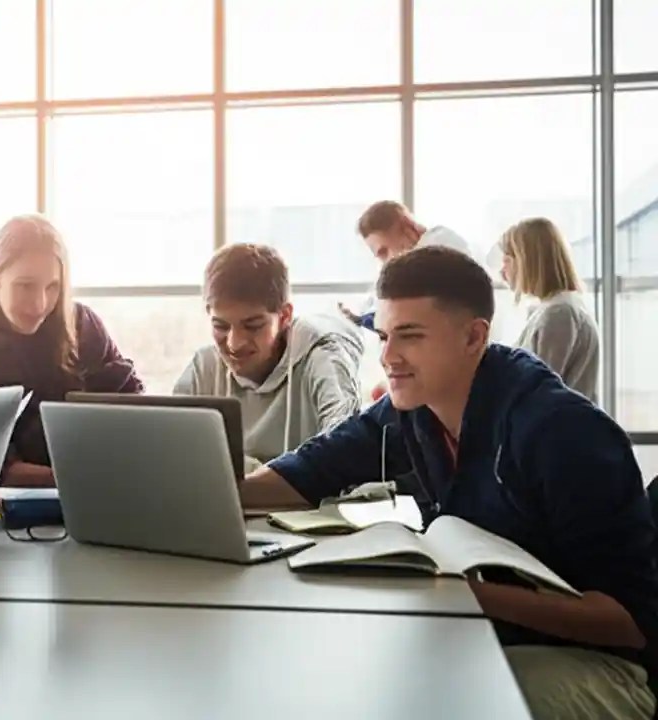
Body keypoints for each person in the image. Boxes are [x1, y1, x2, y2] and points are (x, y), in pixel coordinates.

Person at [240, 246, 658, 720]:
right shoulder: (412, 409)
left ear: (473, 337)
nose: (389, 357)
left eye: (410, 336)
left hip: (606, 668)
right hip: (483, 634)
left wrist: (463, 594)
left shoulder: (562, 432)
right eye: (383, 336)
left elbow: (628, 625)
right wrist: (216, 494)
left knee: (418, 704)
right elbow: (311, 470)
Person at [0, 214, 144, 487]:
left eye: (53, 287)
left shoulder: (82, 323)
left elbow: (139, 410)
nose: (39, 304)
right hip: (23, 508)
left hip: (108, 486)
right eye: (25, 286)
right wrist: (87, 478)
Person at [174, 244, 363, 466]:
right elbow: (169, 447)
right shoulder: (204, 366)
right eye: (221, 326)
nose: (235, 344)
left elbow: (346, 451)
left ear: (284, 316)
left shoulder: (323, 358)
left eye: (253, 326)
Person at [496, 217, 600, 403]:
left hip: (559, 429)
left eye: (507, 261)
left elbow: (539, 389)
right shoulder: (557, 308)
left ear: (526, 262)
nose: (502, 271)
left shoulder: (559, 313)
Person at [342, 200, 473, 330]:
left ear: (407, 227)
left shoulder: (444, 246)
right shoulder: (413, 262)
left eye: (384, 251)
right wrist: (360, 318)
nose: (385, 262)